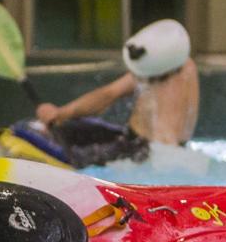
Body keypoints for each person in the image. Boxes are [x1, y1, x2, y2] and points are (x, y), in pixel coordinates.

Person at [24, 19, 199, 167]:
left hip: (143, 154)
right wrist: (60, 114)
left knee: (65, 152)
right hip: (149, 148)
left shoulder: (154, 74)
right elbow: (108, 94)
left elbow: (108, 95)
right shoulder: (181, 65)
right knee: (69, 129)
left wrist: (58, 113)